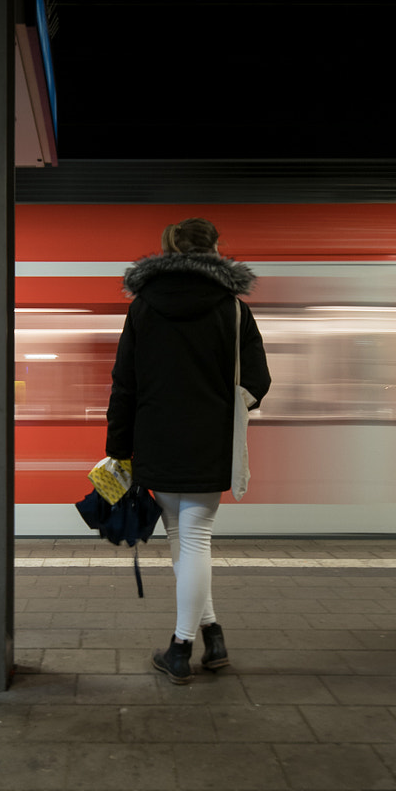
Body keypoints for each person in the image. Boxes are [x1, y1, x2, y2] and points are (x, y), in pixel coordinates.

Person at [105, 218, 271, 683]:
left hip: (156, 438)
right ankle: (210, 637)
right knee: (193, 539)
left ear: (169, 251)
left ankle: (182, 648)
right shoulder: (233, 310)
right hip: (209, 441)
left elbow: (124, 384)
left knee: (184, 539)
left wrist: (118, 448)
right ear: (216, 250)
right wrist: (225, 408)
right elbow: (257, 381)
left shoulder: (142, 308)